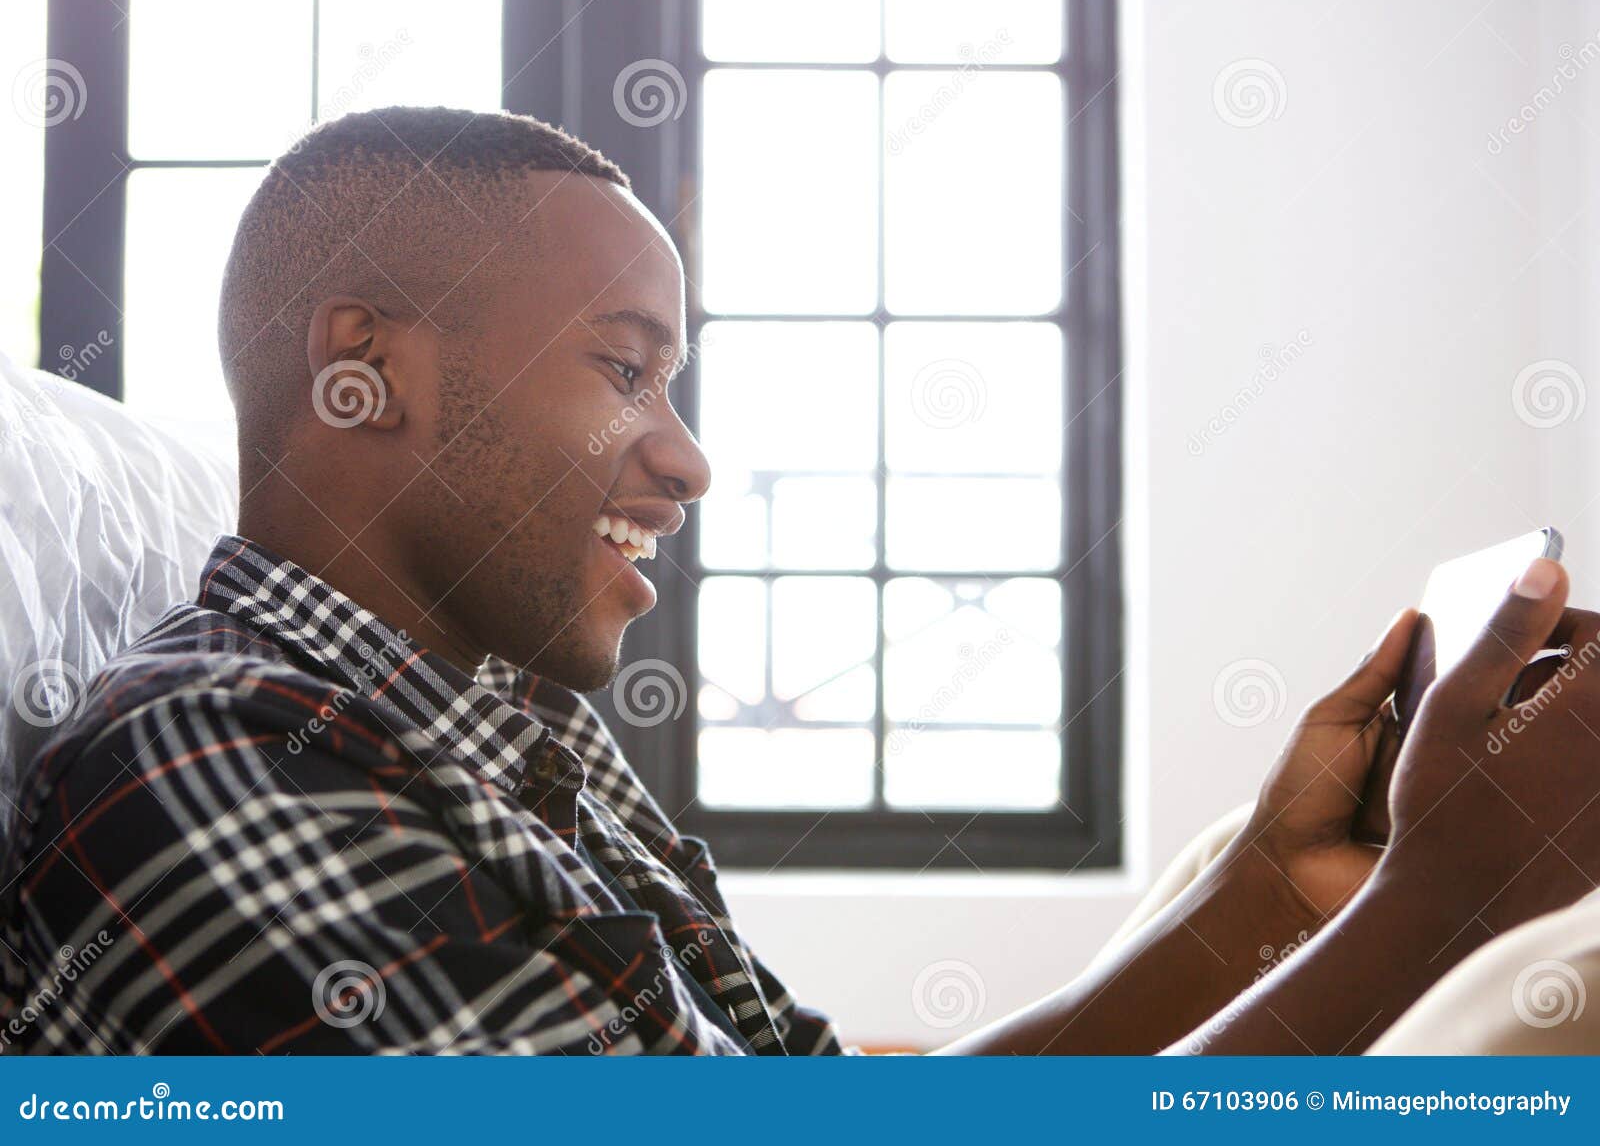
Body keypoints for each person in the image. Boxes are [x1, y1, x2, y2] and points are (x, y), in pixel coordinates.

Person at [3, 108, 1597, 1055]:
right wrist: (1442, 906)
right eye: (624, 370)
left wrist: (1269, 888)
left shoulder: (511, 739)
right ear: (370, 366)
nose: (688, 460)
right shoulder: (209, 765)